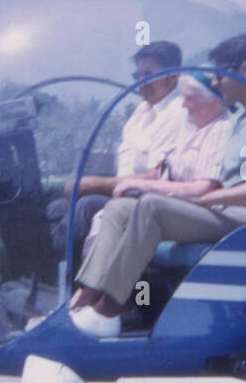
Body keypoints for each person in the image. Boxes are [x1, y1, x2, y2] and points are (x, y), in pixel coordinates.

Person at [70, 32, 246, 335]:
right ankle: (86, 296)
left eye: (220, 76)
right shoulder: (242, 119)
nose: (216, 84)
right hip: (223, 212)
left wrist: (209, 199)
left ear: (245, 70)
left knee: (152, 206)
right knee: (119, 209)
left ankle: (108, 310)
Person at [46, 40, 185, 258]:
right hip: (126, 195)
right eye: (136, 76)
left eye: (148, 74)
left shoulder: (177, 113)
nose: (141, 82)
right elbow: (126, 171)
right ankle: (35, 274)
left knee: (86, 205)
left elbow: (158, 175)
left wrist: (94, 184)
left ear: (173, 77)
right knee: (57, 207)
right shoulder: (140, 114)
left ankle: (64, 281)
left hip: (155, 202)